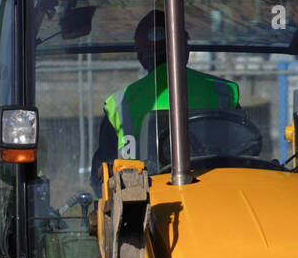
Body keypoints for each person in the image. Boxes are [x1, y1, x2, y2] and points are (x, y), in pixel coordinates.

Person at [91, 10, 239, 189]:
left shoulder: (119, 103)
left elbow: (101, 179)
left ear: (141, 56)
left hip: (148, 202)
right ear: (185, 49)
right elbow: (245, 150)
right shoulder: (224, 91)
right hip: (220, 193)